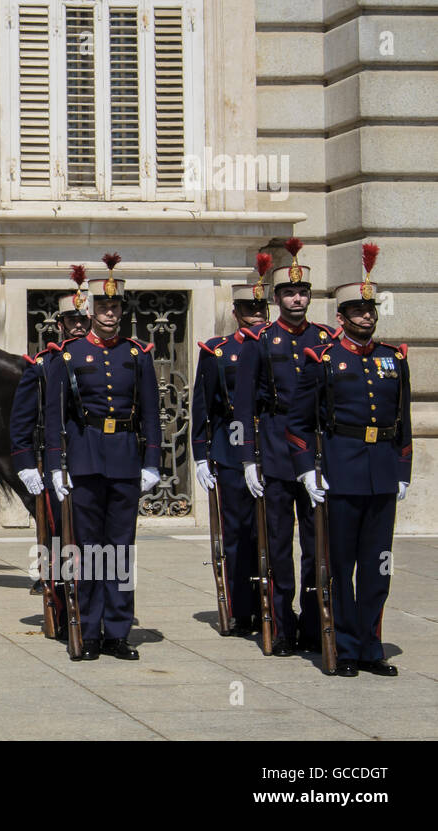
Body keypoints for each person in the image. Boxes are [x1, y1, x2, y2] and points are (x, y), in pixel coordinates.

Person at [286, 244, 410, 677]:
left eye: (370, 310)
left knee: (378, 567)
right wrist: (307, 470)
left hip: (380, 474)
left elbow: (404, 421)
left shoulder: (393, 360)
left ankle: (371, 646)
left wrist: (403, 470)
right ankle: (343, 646)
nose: (366, 317)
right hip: (339, 470)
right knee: (339, 567)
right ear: (341, 317)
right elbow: (298, 423)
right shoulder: (322, 360)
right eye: (357, 311)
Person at [45, 254, 161, 661]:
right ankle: (89, 630)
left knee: (121, 549)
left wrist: (152, 461)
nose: (109, 313)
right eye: (102, 307)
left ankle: (118, 631)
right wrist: (56, 465)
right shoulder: (68, 355)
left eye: (115, 307)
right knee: (90, 549)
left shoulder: (137, 354)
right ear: (90, 309)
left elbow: (150, 412)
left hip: (126, 458)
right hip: (85, 458)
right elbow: (54, 416)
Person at [232, 238, 334, 656]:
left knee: (317, 546)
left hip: (314, 452)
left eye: (303, 292)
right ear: (275, 298)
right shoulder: (261, 341)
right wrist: (246, 458)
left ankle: (314, 624)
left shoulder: (326, 338)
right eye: (290, 292)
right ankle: (281, 622)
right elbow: (242, 405)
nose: (297, 298)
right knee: (276, 545)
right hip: (273, 450)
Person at [191, 254, 272, 637]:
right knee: (238, 534)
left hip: (274, 449)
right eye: (247, 308)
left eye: (260, 306)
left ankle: (275, 608)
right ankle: (243, 608)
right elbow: (202, 406)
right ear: (236, 311)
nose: (255, 313)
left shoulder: (280, 346)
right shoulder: (217, 351)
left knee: (273, 534)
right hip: (230, 450)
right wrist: (201, 454)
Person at [9, 265, 90, 620]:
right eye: (71, 320)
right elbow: (21, 420)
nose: (78, 325)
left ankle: (91, 605)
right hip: (55, 460)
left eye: (83, 319)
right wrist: (26, 464)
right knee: (57, 534)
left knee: (95, 536)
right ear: (59, 324)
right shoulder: (43, 365)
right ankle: (58, 605)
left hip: (93, 458)